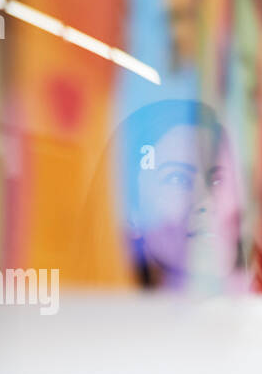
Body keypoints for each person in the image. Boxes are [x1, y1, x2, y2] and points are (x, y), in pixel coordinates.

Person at [75, 98, 252, 294]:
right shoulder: (91, 317)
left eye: (217, 180)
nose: (207, 201)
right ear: (128, 208)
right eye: (178, 179)